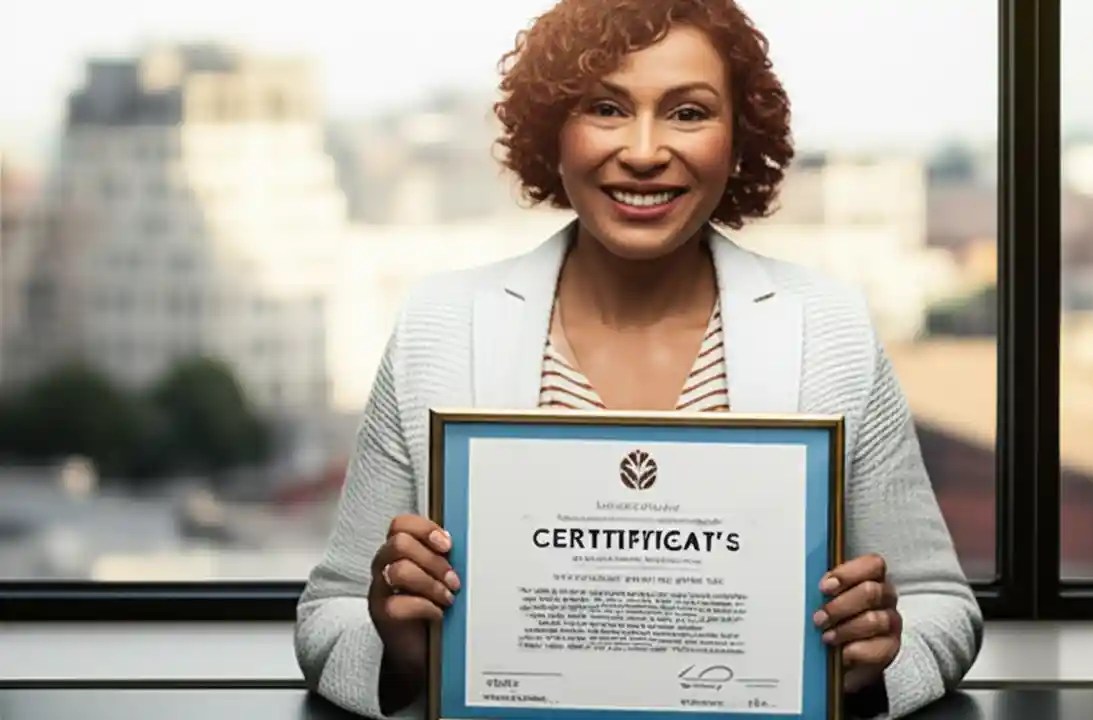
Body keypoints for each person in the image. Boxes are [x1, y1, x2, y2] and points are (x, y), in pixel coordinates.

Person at [294, 0, 983, 717]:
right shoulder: (439, 325)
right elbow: (329, 618)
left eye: (689, 113)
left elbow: (944, 608)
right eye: (605, 108)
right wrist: (401, 650)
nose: (647, 150)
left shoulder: (827, 327)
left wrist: (877, 658)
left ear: (739, 137)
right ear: (552, 131)